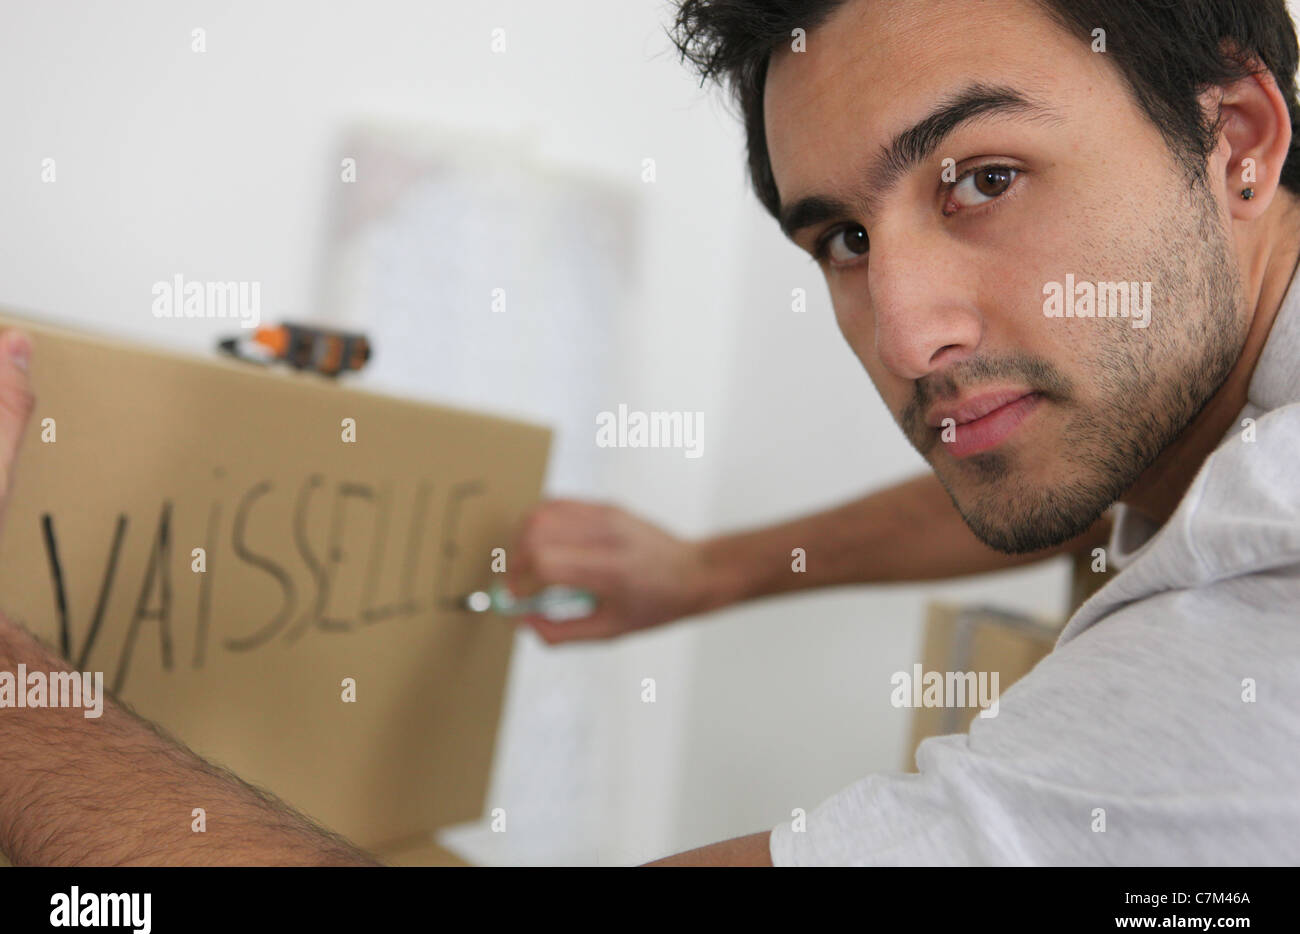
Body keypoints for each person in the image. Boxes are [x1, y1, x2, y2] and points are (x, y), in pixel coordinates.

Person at [2, 0, 1298, 866]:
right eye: (842, 238)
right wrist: (710, 569)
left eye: (986, 179)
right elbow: (1066, 441)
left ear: (1236, 139)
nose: (904, 335)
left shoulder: (1262, 605)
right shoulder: (1186, 388)